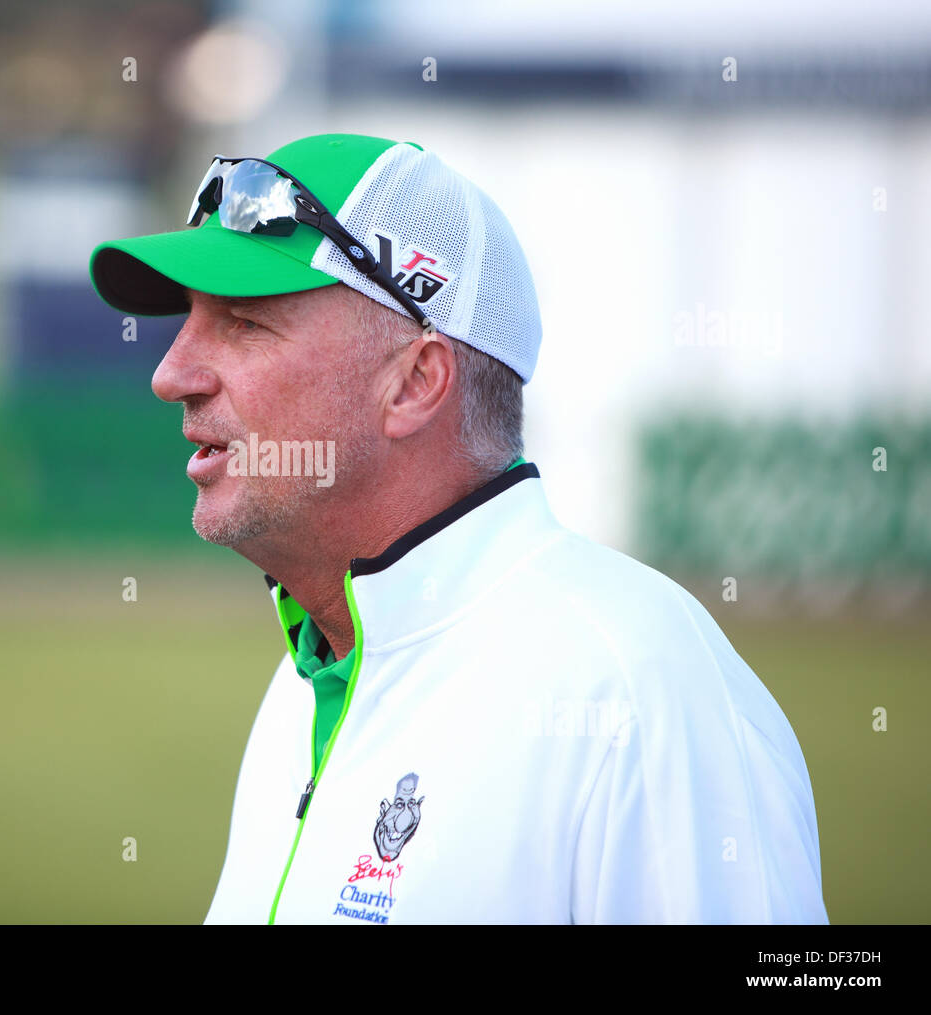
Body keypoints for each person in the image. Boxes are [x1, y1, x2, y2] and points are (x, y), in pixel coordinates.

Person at [89, 133, 828, 924]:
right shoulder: (309, 682)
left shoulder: (641, 696)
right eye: (191, 321)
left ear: (413, 383)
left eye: (244, 324)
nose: (172, 374)